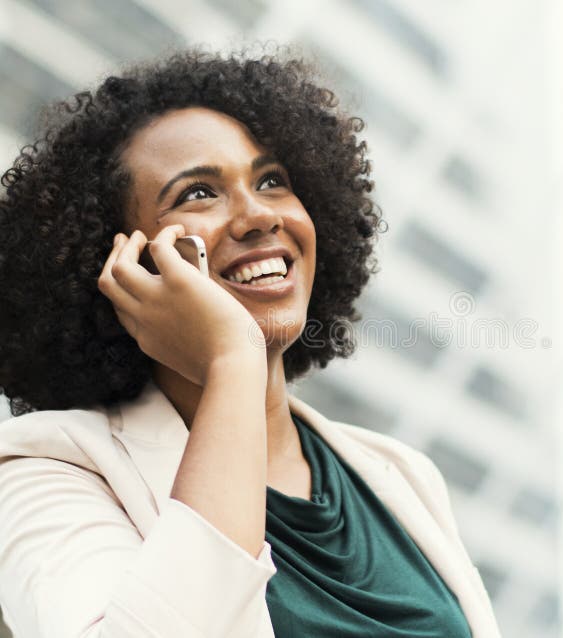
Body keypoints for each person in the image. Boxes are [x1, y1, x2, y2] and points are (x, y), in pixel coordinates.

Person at [0, 47, 501, 637]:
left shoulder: (401, 474)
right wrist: (230, 361)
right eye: (197, 194)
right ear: (122, 261)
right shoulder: (42, 473)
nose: (258, 215)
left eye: (272, 181)